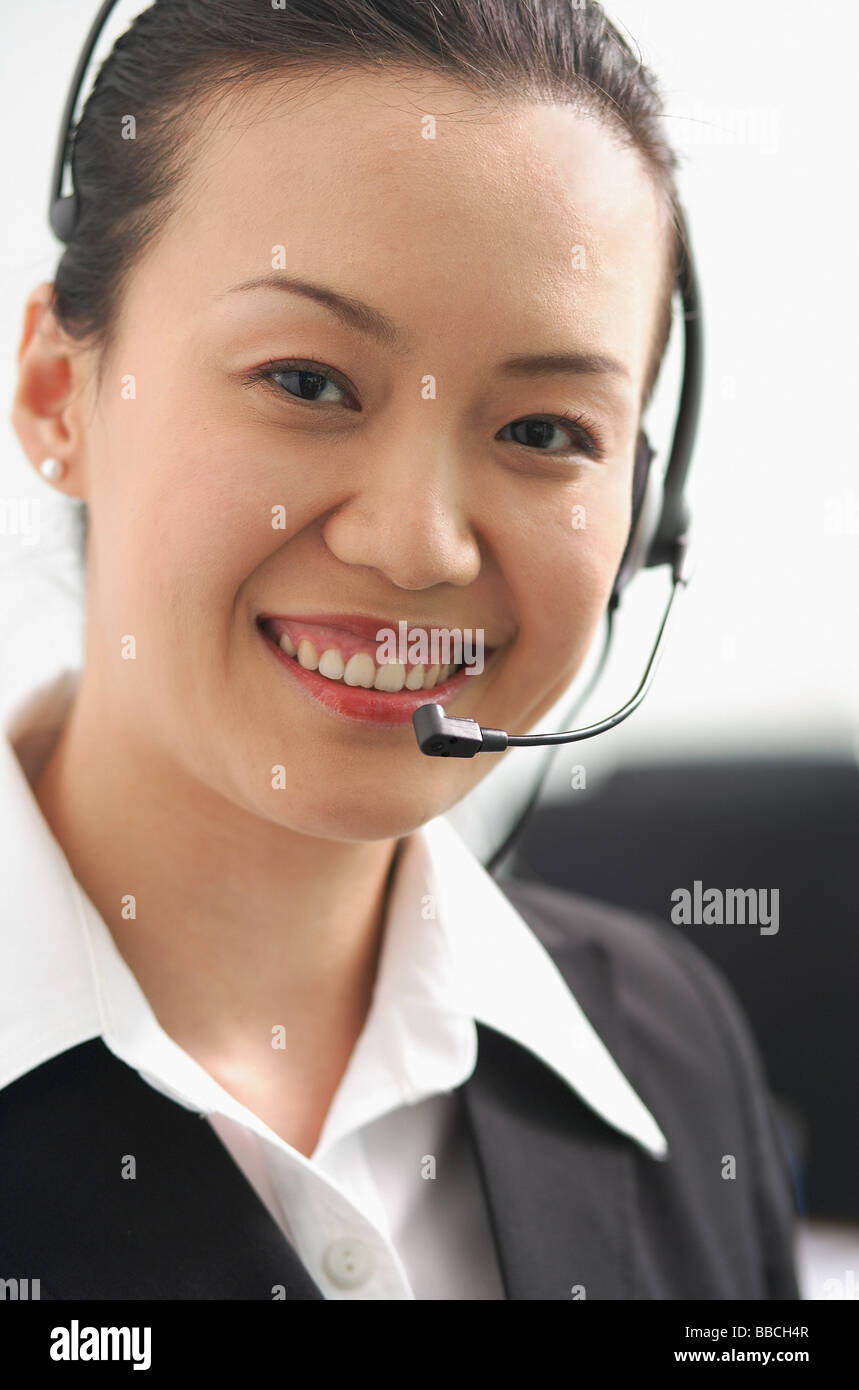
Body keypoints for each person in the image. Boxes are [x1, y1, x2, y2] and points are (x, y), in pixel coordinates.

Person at [1, 0, 799, 1299]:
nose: (417, 545)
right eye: (306, 382)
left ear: (646, 513)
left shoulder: (671, 1047)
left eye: (546, 432)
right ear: (58, 393)